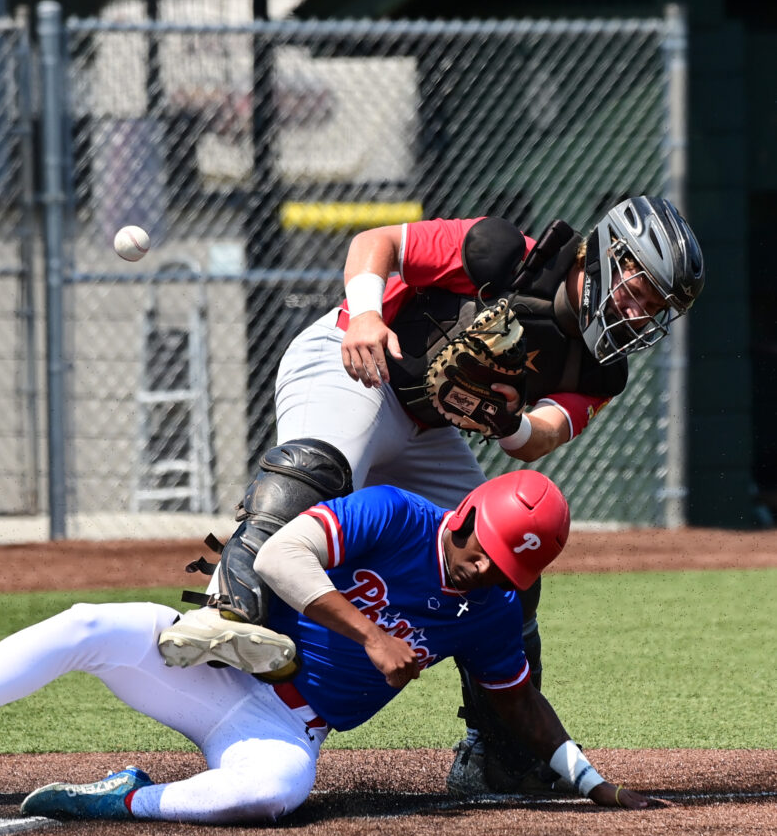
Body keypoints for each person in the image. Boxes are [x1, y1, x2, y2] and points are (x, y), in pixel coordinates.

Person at [157, 197, 705, 796]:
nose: (640, 311)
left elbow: (539, 437)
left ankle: (498, 750)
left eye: (657, 307)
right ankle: (223, 608)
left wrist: (507, 424)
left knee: (506, 560)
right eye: (640, 288)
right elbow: (378, 242)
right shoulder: (504, 253)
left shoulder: (601, 368)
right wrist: (367, 314)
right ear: (609, 253)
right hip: (354, 363)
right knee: (318, 467)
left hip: (429, 425)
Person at [0, 470, 660, 823]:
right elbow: (280, 553)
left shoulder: (490, 605)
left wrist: (591, 779)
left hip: (286, 728)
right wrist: (368, 634)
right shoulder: (399, 514)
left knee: (276, 794)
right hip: (217, 665)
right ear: (471, 512)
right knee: (89, 623)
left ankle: (124, 800)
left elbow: (514, 695)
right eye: (485, 551)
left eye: (508, 568)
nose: (485, 572)